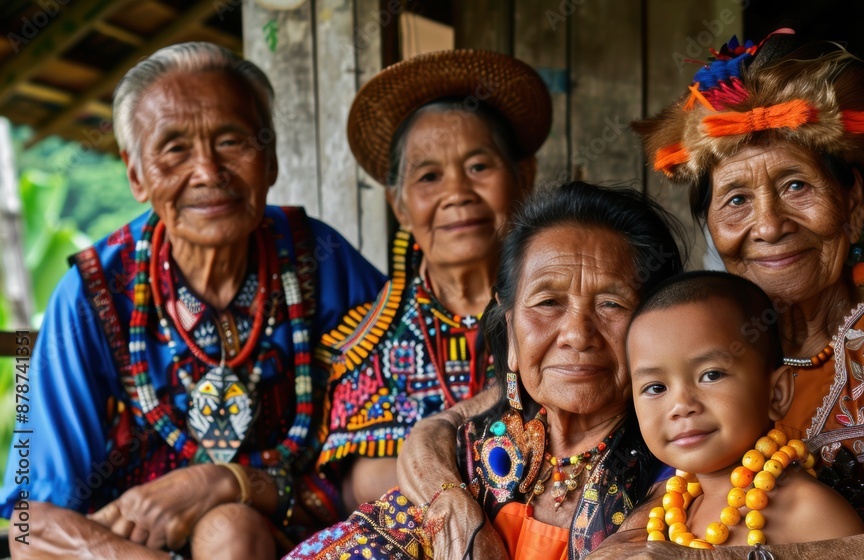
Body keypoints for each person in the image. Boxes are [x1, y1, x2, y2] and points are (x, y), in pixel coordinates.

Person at [595, 29, 864, 557]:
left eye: (796, 186)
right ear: (711, 229)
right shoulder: (702, 340)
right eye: (737, 199)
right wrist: (444, 435)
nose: (768, 225)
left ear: (852, 201)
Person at [1, 42, 385, 559]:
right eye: (175, 148)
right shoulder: (91, 295)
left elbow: (393, 443)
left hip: (303, 539)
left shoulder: (324, 259)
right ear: (136, 174)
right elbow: (26, 522)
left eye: (231, 141)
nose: (208, 171)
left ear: (269, 159)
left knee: (231, 529)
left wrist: (225, 483)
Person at [285, 181, 686, 559]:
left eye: (611, 304)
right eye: (547, 302)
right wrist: (452, 509)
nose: (577, 335)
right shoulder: (471, 453)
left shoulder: (678, 469)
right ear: (510, 326)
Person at [311, 49, 551, 517]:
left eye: (479, 167)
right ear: (400, 206)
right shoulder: (364, 340)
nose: (456, 193)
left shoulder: (566, 311)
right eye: (429, 176)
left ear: (524, 178)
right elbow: (364, 486)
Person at [626, 271, 864, 548]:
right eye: (656, 388)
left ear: (776, 393)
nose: (681, 406)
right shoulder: (671, 513)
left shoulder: (807, 511)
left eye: (711, 374)